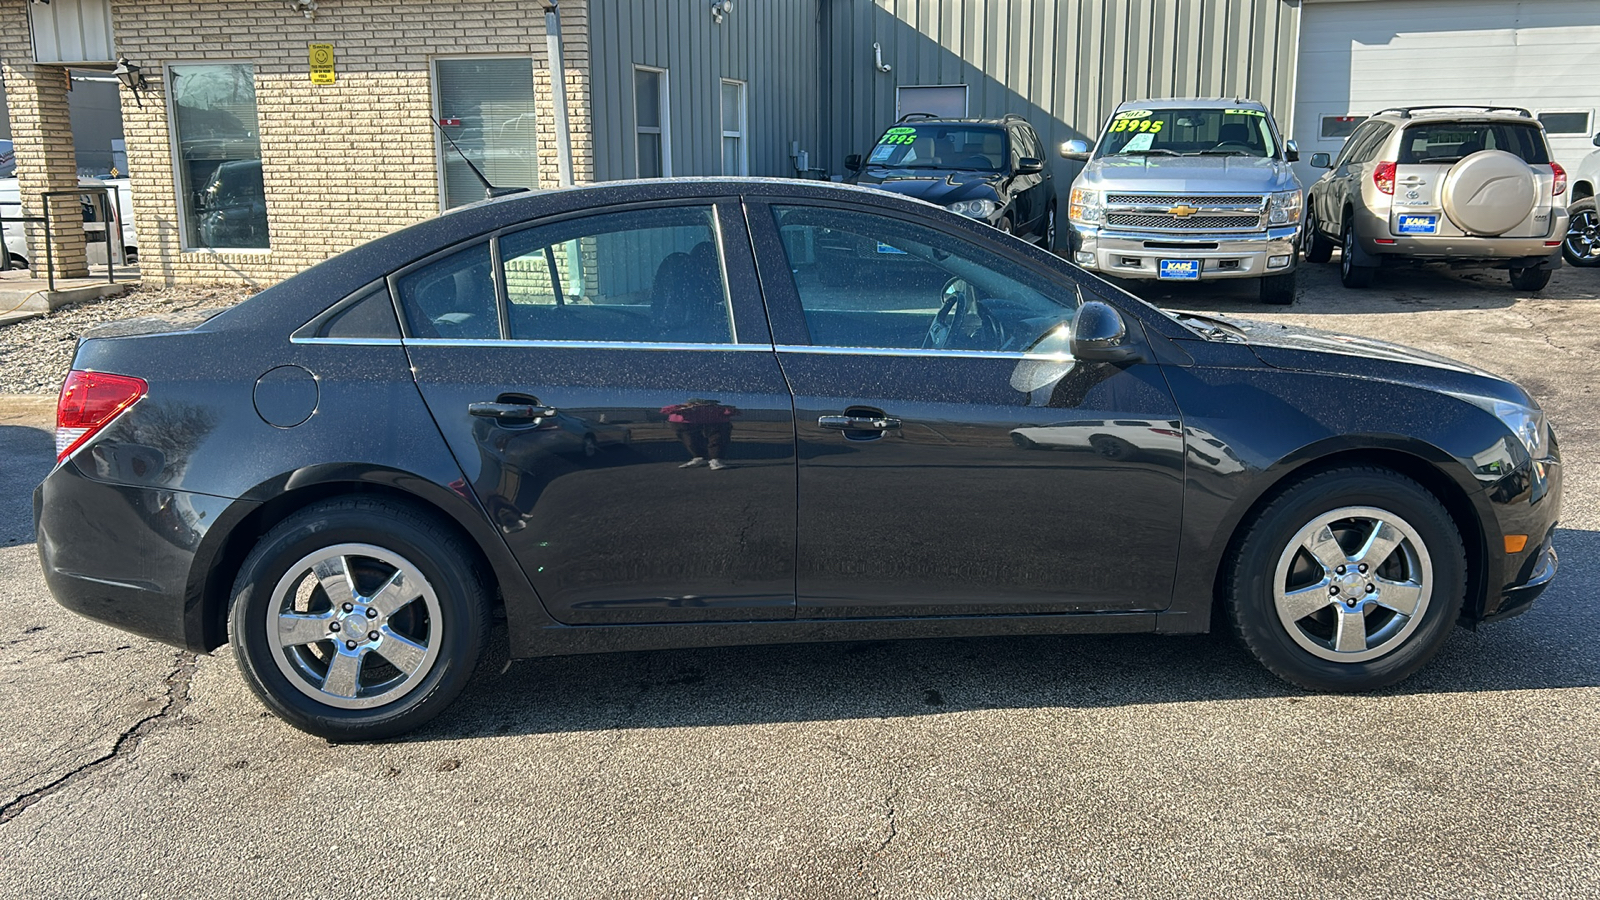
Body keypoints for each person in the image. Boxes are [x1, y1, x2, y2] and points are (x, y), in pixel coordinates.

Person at [661, 398, 739, 470]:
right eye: (696, 403)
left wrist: (726, 409)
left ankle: (715, 459)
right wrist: (682, 407)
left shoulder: (717, 409)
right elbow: (665, 410)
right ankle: (700, 457)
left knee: (717, 439)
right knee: (690, 440)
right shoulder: (682, 408)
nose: (700, 405)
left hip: (714, 422)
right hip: (687, 423)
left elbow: (733, 412)